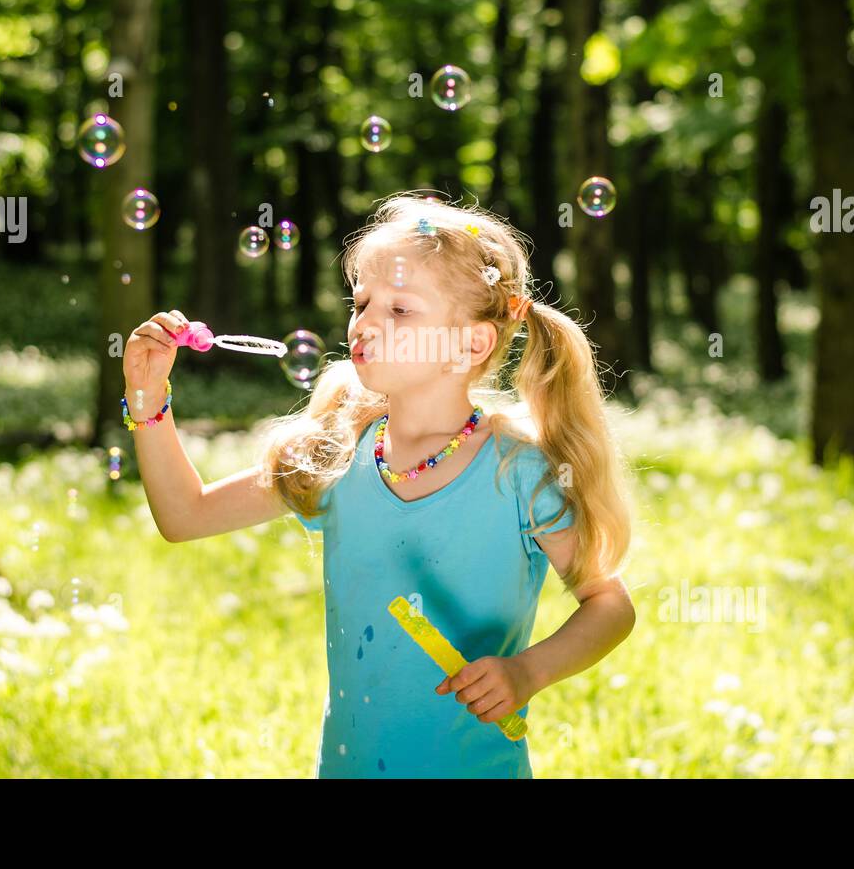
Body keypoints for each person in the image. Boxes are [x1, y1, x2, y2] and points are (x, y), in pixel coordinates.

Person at [123, 192, 636, 777]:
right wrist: (148, 399)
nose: (365, 323)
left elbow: (609, 604)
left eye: (399, 310)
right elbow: (185, 516)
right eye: (362, 301)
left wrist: (528, 672)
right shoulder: (338, 453)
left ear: (472, 343)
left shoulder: (517, 471)